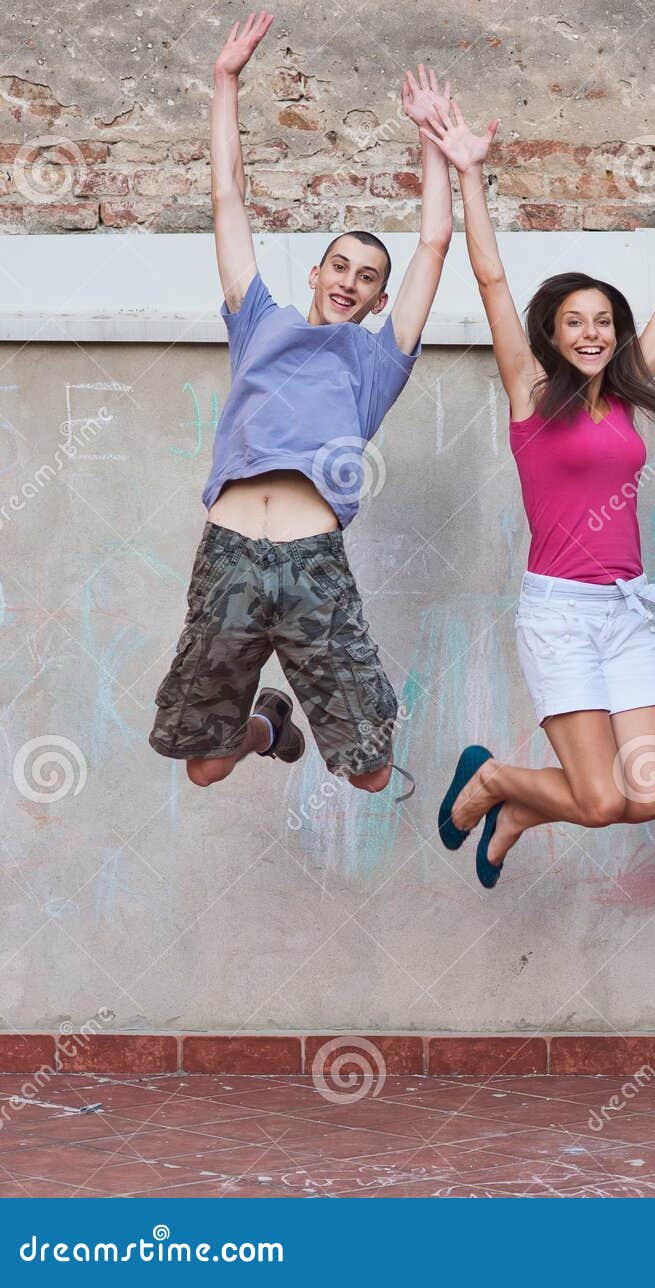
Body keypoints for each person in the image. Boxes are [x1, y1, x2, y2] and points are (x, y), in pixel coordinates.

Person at [149, 11, 449, 800]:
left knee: (372, 773)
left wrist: (434, 146)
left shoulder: (377, 363)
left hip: (313, 566)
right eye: (339, 266)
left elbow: (434, 246)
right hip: (230, 559)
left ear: (379, 298)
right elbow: (227, 197)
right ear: (315, 272)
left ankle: (290, 725)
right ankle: (266, 729)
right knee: (206, 765)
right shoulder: (260, 322)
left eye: (367, 276)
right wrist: (225, 83)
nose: (351, 281)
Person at [424, 100, 655, 887]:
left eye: (602, 322)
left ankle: (516, 805)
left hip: (624, 613)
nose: (591, 333)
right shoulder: (529, 395)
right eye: (573, 322)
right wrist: (470, 173)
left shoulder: (625, 395)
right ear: (551, 335)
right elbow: (490, 275)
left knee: (647, 797)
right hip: (559, 615)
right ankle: (493, 783)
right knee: (596, 800)